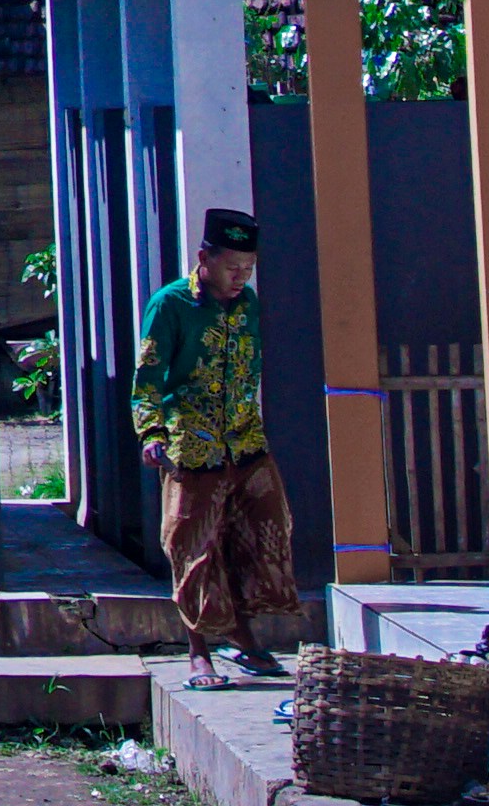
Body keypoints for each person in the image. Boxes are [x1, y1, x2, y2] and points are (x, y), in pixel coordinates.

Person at [134, 207, 294, 681]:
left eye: (248, 269)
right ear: (204, 258)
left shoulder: (248, 305)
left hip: (245, 440)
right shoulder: (170, 305)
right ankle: (198, 648)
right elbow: (149, 376)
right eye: (231, 268)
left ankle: (243, 634)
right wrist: (151, 431)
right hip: (193, 445)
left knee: (267, 529)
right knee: (192, 544)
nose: (240, 277)